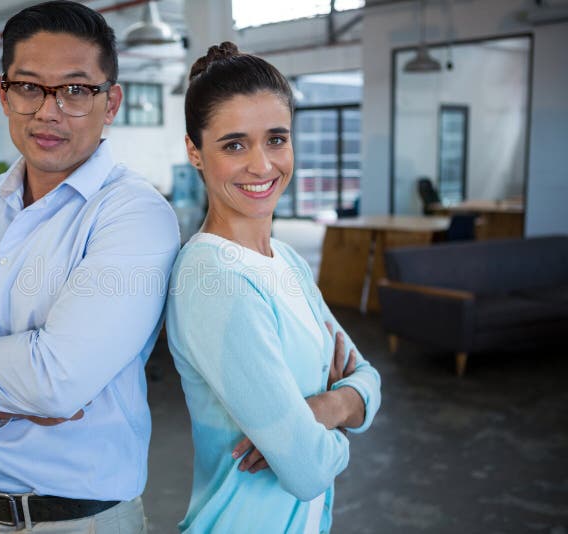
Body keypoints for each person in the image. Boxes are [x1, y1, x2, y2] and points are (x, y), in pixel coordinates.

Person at [0, 2, 179, 532]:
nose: (48, 112)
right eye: (29, 87)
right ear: (4, 94)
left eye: (74, 90)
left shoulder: (133, 214)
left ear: (110, 102)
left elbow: (54, 385)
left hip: (78, 521)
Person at [166, 42, 381, 533]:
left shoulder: (284, 260)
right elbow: (306, 469)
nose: (262, 166)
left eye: (277, 139)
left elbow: (368, 375)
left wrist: (324, 407)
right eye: (234, 144)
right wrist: (346, 408)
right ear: (195, 152)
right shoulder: (214, 278)